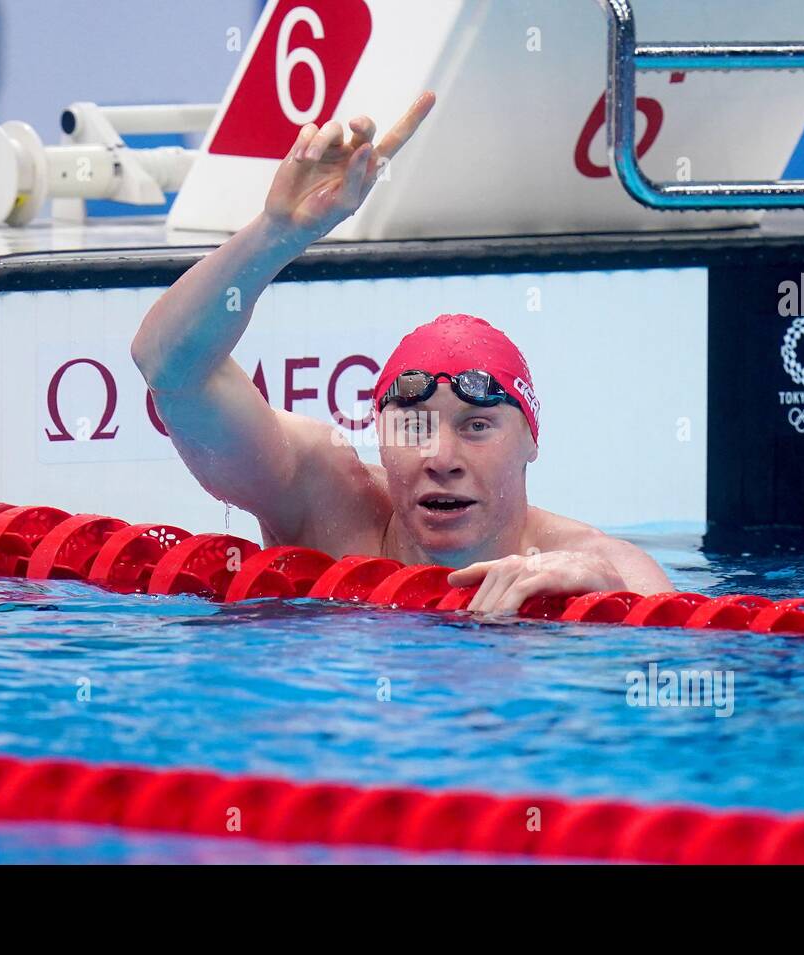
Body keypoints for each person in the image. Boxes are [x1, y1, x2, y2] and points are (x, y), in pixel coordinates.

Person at [132, 91, 671, 611]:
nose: (441, 460)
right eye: (412, 427)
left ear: (532, 440)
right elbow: (170, 367)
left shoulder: (596, 565)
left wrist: (604, 594)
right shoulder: (322, 502)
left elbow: (679, 639)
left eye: (476, 426)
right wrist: (277, 234)